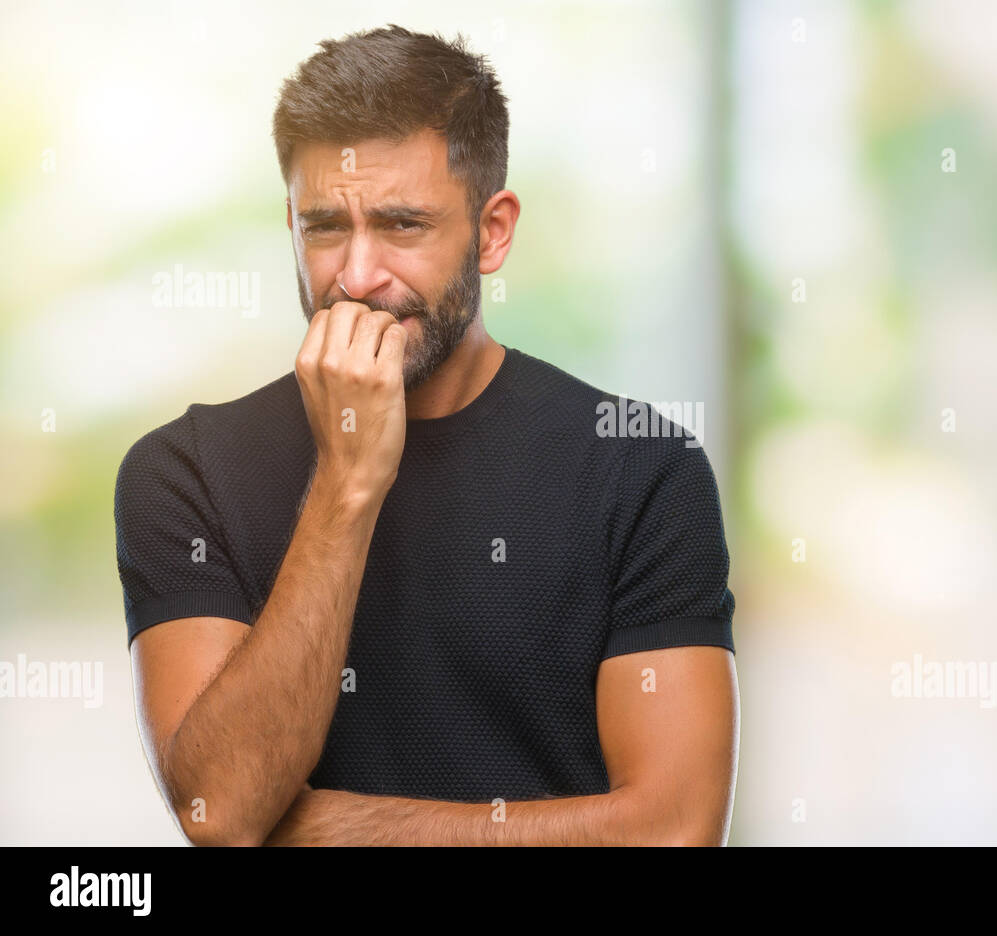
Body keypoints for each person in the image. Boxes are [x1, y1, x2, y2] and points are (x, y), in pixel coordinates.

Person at [113, 25, 738, 846]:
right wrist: (347, 481)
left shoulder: (642, 469)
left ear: (492, 232)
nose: (358, 277)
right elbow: (225, 816)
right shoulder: (184, 472)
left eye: (403, 225)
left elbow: (673, 830)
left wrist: (325, 828)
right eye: (326, 226)